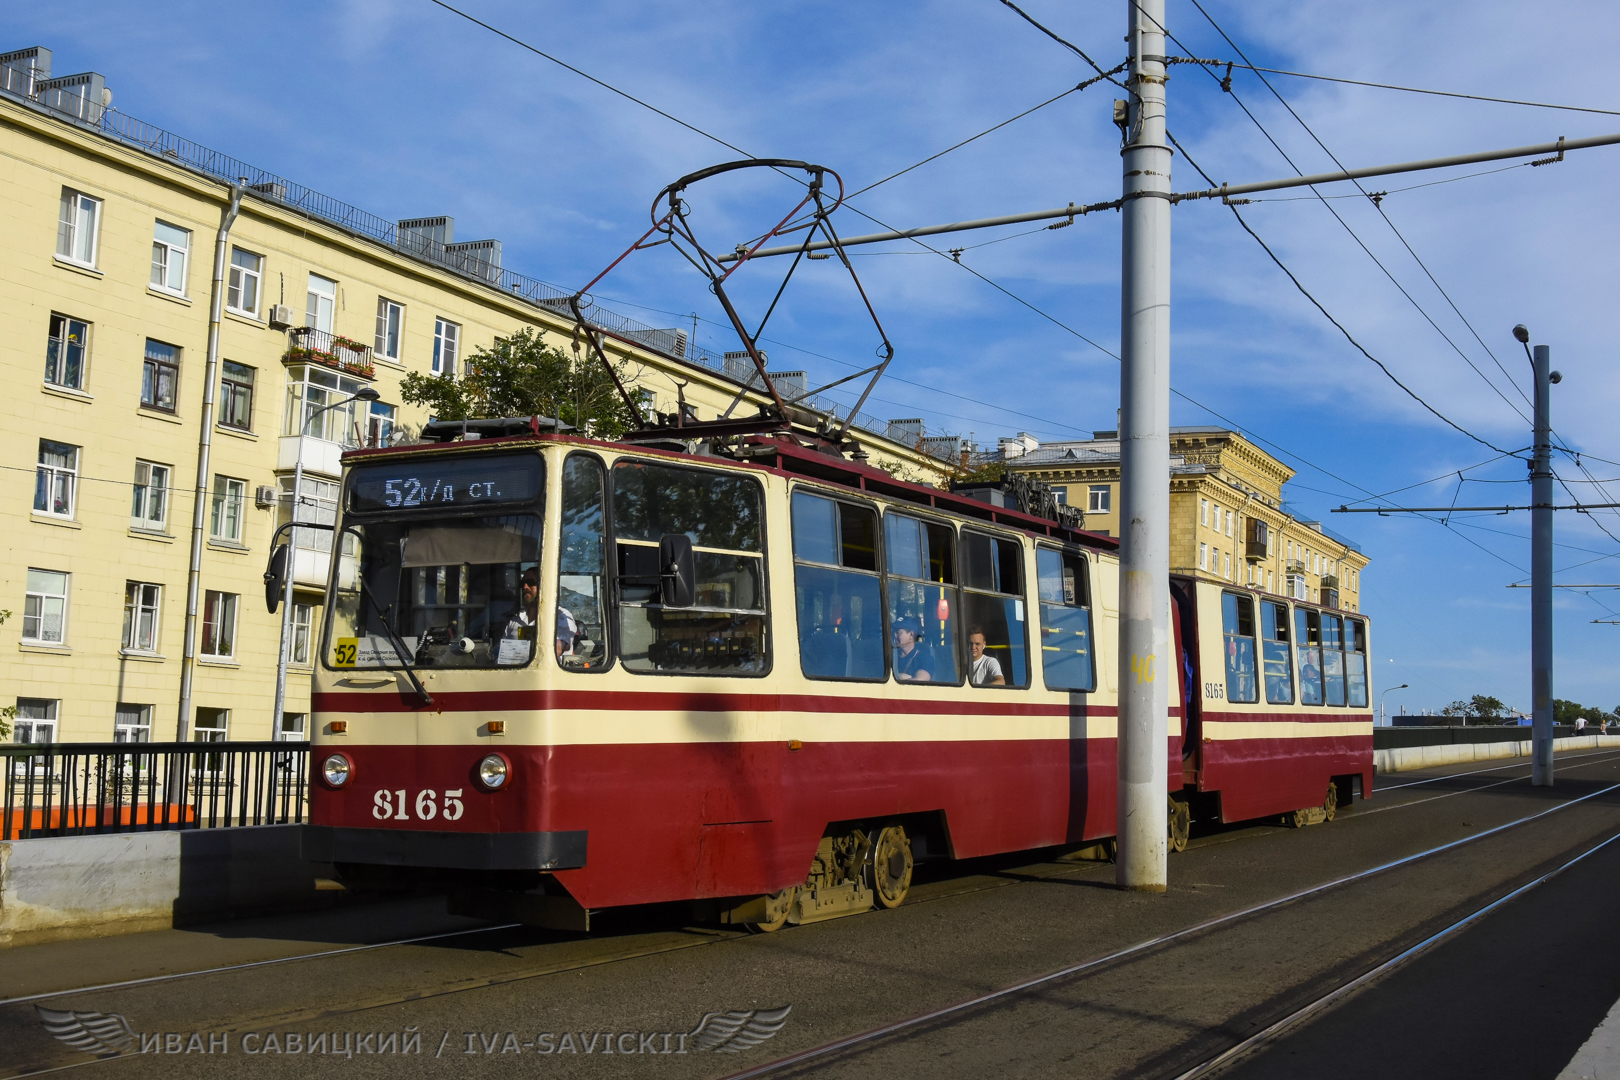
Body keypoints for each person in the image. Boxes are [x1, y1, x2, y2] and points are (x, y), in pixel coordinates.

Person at [892, 617, 935, 682]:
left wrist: (898, 678)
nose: (895, 635)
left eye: (899, 632)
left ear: (911, 635)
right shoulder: (890, 657)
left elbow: (921, 681)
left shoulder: (925, 659)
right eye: (894, 632)